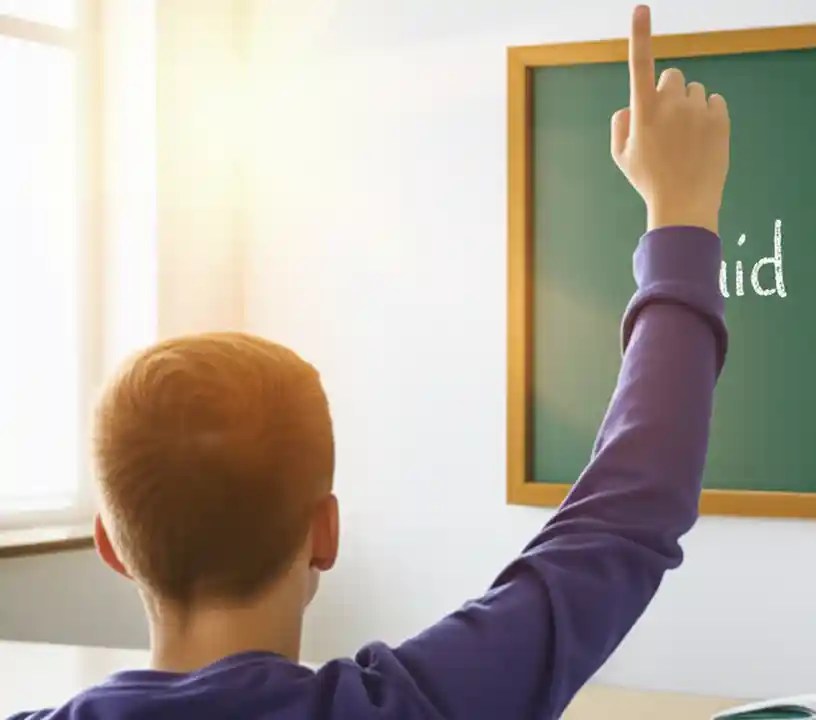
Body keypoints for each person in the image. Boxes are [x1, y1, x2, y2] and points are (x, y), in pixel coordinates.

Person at [8, 4, 730, 719]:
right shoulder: (418, 708)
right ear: (326, 531)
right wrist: (681, 217)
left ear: (111, 543)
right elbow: (631, 508)